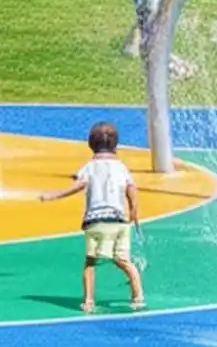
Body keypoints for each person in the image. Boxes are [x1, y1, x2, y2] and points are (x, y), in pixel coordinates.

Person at [39, 121, 145, 313]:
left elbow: (79, 184)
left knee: (90, 262)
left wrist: (54, 195)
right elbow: (131, 187)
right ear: (116, 145)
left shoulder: (89, 167)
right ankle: (137, 295)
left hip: (96, 222)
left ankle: (88, 300)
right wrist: (134, 210)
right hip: (119, 221)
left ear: (90, 144)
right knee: (123, 260)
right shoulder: (121, 167)